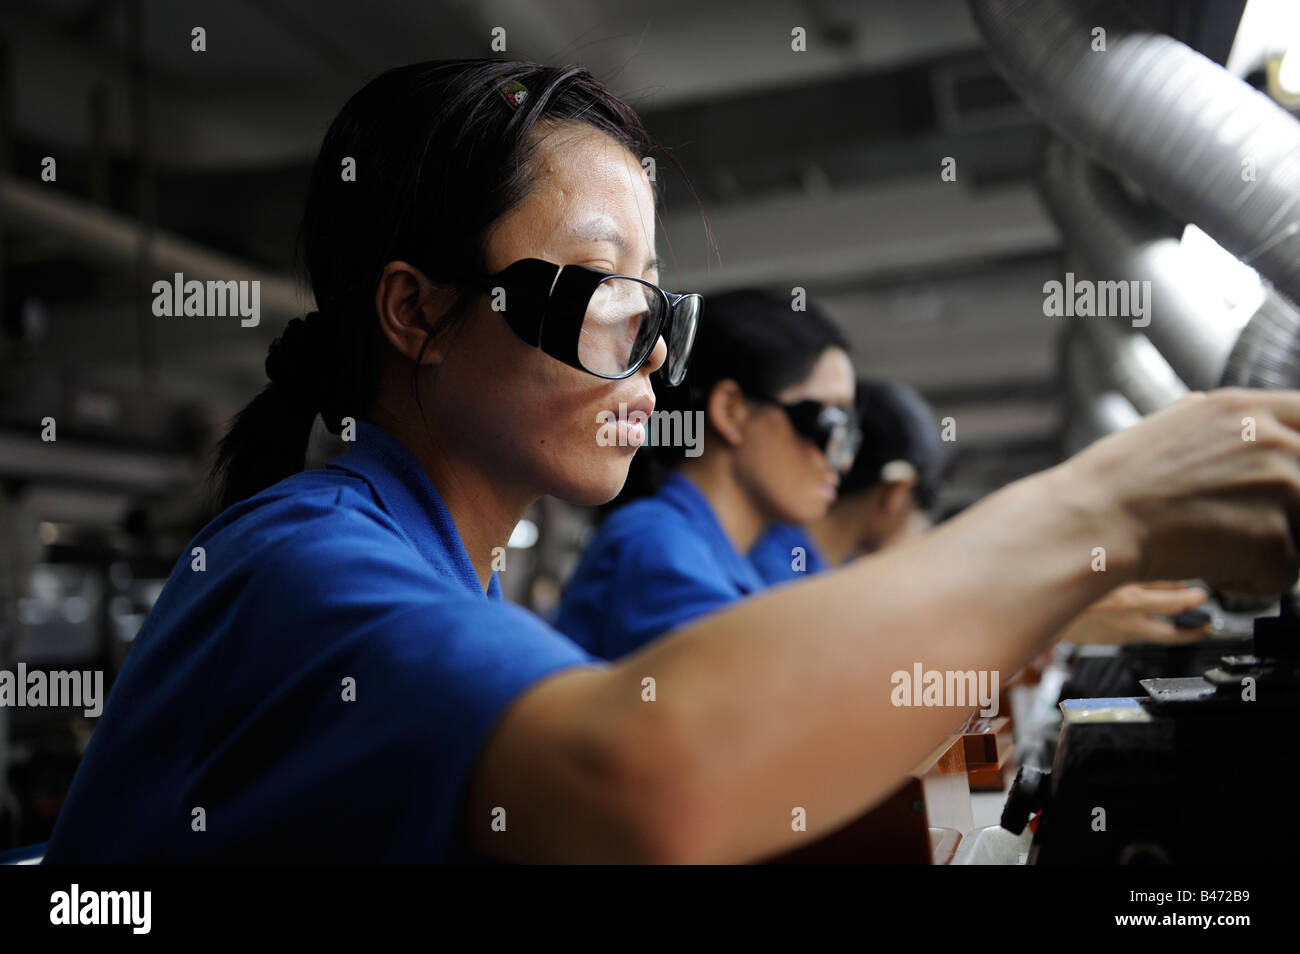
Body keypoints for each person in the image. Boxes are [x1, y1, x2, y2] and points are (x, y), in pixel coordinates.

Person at [41, 58, 1300, 865]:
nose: (649, 357)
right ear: (415, 312)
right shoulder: (302, 559)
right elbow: (647, 782)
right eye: (602, 296)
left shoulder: (423, 562)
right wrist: (1094, 507)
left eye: (655, 310)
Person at [753, 378, 1213, 645]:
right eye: (922, 505)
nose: (919, 528)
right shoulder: (783, 579)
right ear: (897, 492)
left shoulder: (807, 566)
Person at [555, 289, 859, 659]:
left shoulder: (727, 558)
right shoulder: (658, 543)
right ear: (732, 411)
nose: (840, 461)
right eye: (828, 422)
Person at [750, 378, 942, 584]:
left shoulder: (789, 556)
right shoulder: (778, 574)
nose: (917, 524)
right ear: (896, 491)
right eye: (920, 502)